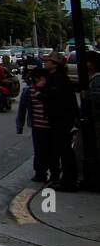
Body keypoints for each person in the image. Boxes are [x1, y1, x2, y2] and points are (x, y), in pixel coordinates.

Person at [42, 51, 79, 190]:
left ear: (55, 64)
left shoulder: (59, 79)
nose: (45, 63)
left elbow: (56, 99)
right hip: (58, 119)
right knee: (61, 150)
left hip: (61, 120)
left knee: (64, 150)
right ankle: (66, 179)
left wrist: (42, 94)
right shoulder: (53, 77)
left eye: (47, 61)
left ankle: (69, 181)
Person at [16, 68, 56, 183]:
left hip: (52, 126)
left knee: (52, 151)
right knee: (39, 151)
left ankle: (54, 173)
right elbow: (22, 110)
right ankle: (40, 173)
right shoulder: (28, 91)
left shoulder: (50, 90)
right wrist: (20, 126)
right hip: (37, 126)